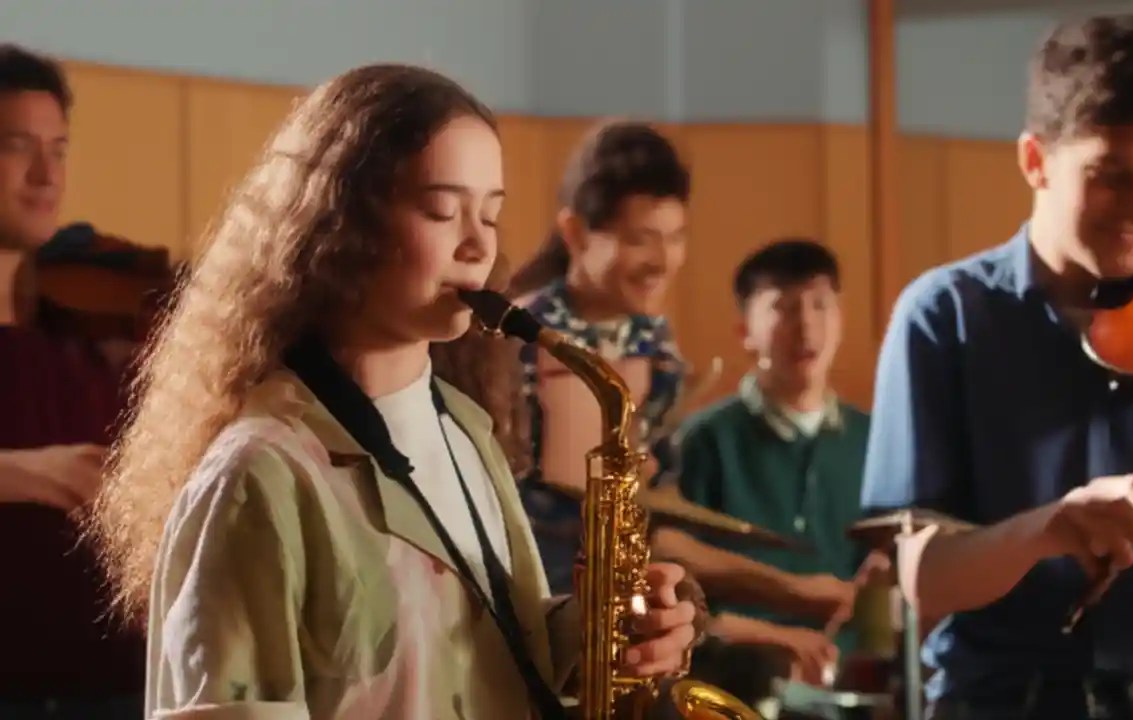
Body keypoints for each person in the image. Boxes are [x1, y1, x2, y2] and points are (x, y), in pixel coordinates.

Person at [87, 63, 701, 719]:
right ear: (341, 228)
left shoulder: (466, 430)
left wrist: (605, 633)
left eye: (490, 216)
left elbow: (491, 654)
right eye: (442, 211)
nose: (479, 249)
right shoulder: (259, 474)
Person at [861, 15, 1133, 720]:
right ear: (1035, 161)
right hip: (996, 702)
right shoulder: (946, 315)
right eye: (1109, 179)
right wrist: (1050, 527)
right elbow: (922, 576)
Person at [654, 239, 889, 701]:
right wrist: (769, 637)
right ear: (746, 330)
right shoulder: (703, 440)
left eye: (821, 306)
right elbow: (677, 579)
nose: (806, 326)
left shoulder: (876, 439)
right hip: (734, 680)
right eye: (783, 308)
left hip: (847, 687)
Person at [0, 43, 146, 719]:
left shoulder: (90, 323)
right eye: (17, 147)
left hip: (124, 694)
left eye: (58, 148)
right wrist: (25, 473)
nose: (45, 175)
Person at [507, 119, 691, 595]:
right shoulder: (517, 339)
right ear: (574, 232)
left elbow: (663, 500)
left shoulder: (658, 347)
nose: (663, 260)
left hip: (620, 589)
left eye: (675, 237)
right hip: (525, 593)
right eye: (639, 240)